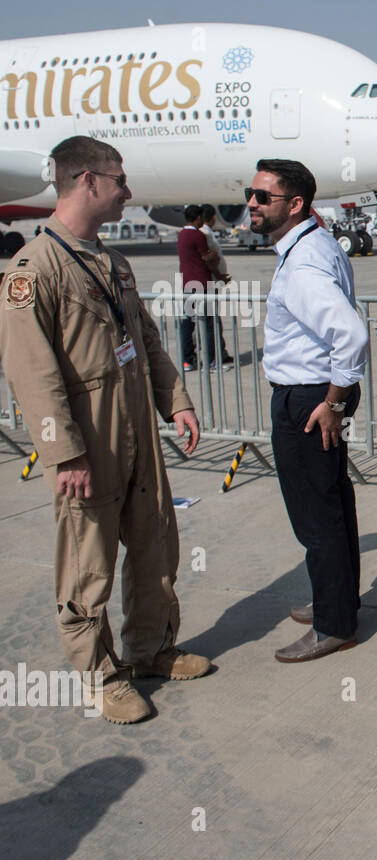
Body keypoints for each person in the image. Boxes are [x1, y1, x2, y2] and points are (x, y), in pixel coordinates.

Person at [0, 136, 206, 724]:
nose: (128, 191)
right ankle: (101, 676)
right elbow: (32, 373)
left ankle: (151, 650)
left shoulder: (112, 262)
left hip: (136, 428)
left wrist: (177, 402)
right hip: (88, 442)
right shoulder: (34, 268)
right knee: (88, 565)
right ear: (88, 180)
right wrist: (64, 453)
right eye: (120, 179)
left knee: (154, 547)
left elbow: (146, 342)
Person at [248, 159, 370, 662]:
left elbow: (351, 334)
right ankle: (336, 604)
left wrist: (331, 404)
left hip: (309, 399)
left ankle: (332, 626)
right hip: (316, 392)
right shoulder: (314, 243)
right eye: (250, 195)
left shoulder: (302, 263)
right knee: (333, 505)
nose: (251, 205)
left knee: (315, 516)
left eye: (262, 197)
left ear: (294, 204)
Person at [177, 204, 231, 371]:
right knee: (208, 323)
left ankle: (187, 360)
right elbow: (207, 258)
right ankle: (211, 361)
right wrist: (220, 274)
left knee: (188, 322)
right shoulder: (197, 235)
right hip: (202, 283)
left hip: (187, 284)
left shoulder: (182, 235)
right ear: (199, 217)